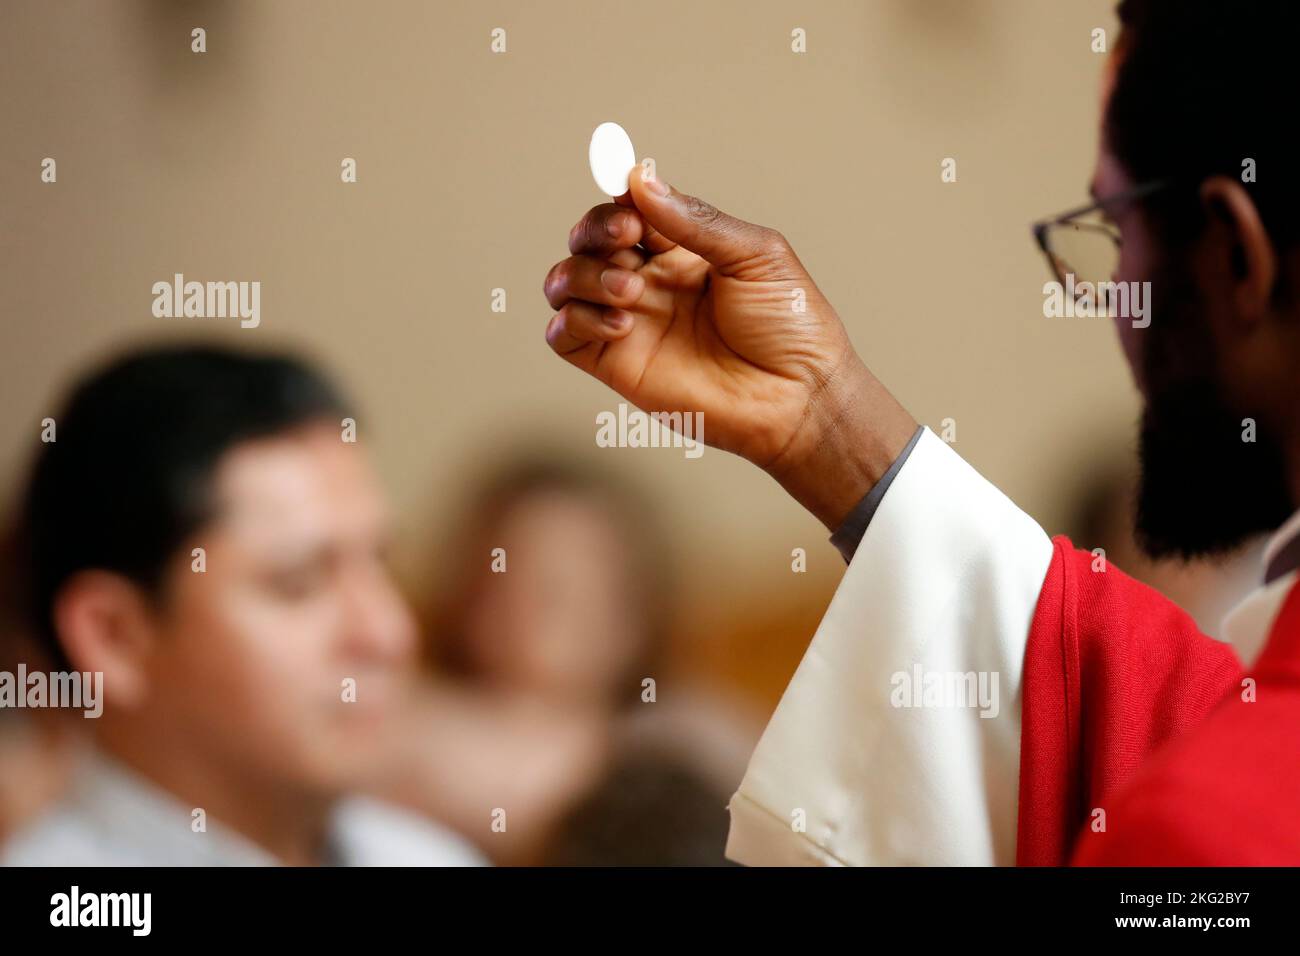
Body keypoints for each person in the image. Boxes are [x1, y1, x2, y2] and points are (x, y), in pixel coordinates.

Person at [542, 0, 1300, 864]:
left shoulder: (1209, 835)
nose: (1102, 296)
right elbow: (1191, 709)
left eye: (1117, 234)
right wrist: (825, 423)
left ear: (1236, 260)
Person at [1, 345, 482, 866]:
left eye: (382, 565)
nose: (388, 633)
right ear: (114, 636)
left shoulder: (428, 858)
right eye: (297, 583)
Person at [378, 458, 754, 865]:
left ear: (637, 610)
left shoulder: (687, 726)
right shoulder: (410, 715)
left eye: (572, 586)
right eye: (514, 580)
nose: (535, 612)